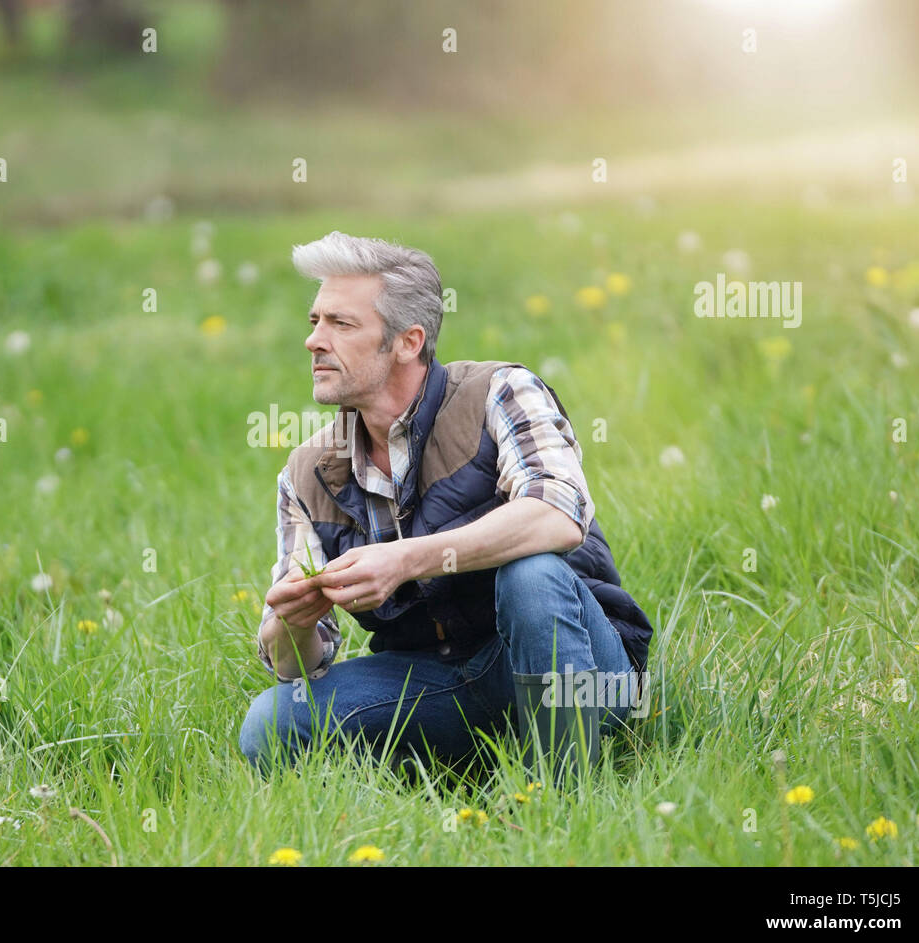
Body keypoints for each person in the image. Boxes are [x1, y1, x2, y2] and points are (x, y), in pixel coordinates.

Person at [238, 230, 652, 778]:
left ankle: (563, 794)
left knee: (531, 575)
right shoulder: (307, 472)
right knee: (273, 721)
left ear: (408, 341)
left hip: (581, 666)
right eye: (314, 321)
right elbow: (301, 665)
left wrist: (406, 559)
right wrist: (291, 624)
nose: (314, 341)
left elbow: (558, 514)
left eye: (341, 324)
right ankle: (454, 771)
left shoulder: (500, 393)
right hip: (434, 677)